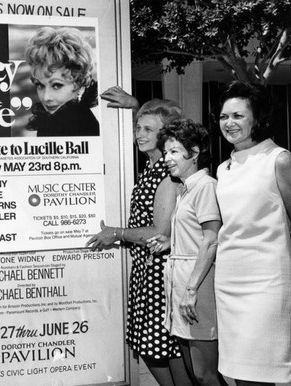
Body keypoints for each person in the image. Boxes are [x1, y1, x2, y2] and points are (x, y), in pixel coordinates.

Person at [86, 99, 193, 385]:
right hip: (147, 272)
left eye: (148, 129)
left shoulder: (167, 173)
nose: (139, 134)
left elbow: (160, 230)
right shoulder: (153, 167)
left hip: (160, 274)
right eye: (137, 127)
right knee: (155, 349)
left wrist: (117, 233)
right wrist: (136, 106)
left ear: (165, 134)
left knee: (161, 349)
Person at [215, 81, 291, 385]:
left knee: (260, 372)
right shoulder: (223, 169)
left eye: (238, 116)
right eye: (223, 117)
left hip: (266, 284)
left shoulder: (279, 160)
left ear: (256, 119)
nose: (229, 123)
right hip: (229, 282)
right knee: (239, 376)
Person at [147, 119, 226, 385]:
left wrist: (191, 289)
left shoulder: (205, 186)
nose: (166, 158)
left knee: (206, 374)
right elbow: (196, 233)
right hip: (181, 283)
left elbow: (212, 239)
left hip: (196, 285)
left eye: (173, 152)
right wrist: (172, 242)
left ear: (193, 153)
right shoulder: (185, 189)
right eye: (166, 151)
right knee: (194, 372)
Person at [25, 26, 99, 136]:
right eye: (40, 85)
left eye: (56, 85)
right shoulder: (52, 121)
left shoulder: (81, 127)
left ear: (79, 82)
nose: (46, 97)